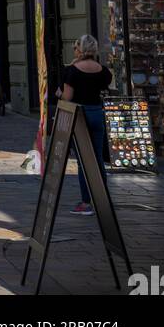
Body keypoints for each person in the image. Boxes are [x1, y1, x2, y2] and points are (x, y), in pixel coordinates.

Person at [62, 34, 112, 215]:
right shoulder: (103, 70)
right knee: (97, 158)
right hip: (97, 113)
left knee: (84, 160)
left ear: (80, 49)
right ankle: (102, 199)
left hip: (80, 115)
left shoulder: (73, 71)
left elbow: (67, 97)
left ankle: (86, 202)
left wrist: (58, 93)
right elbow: (104, 86)